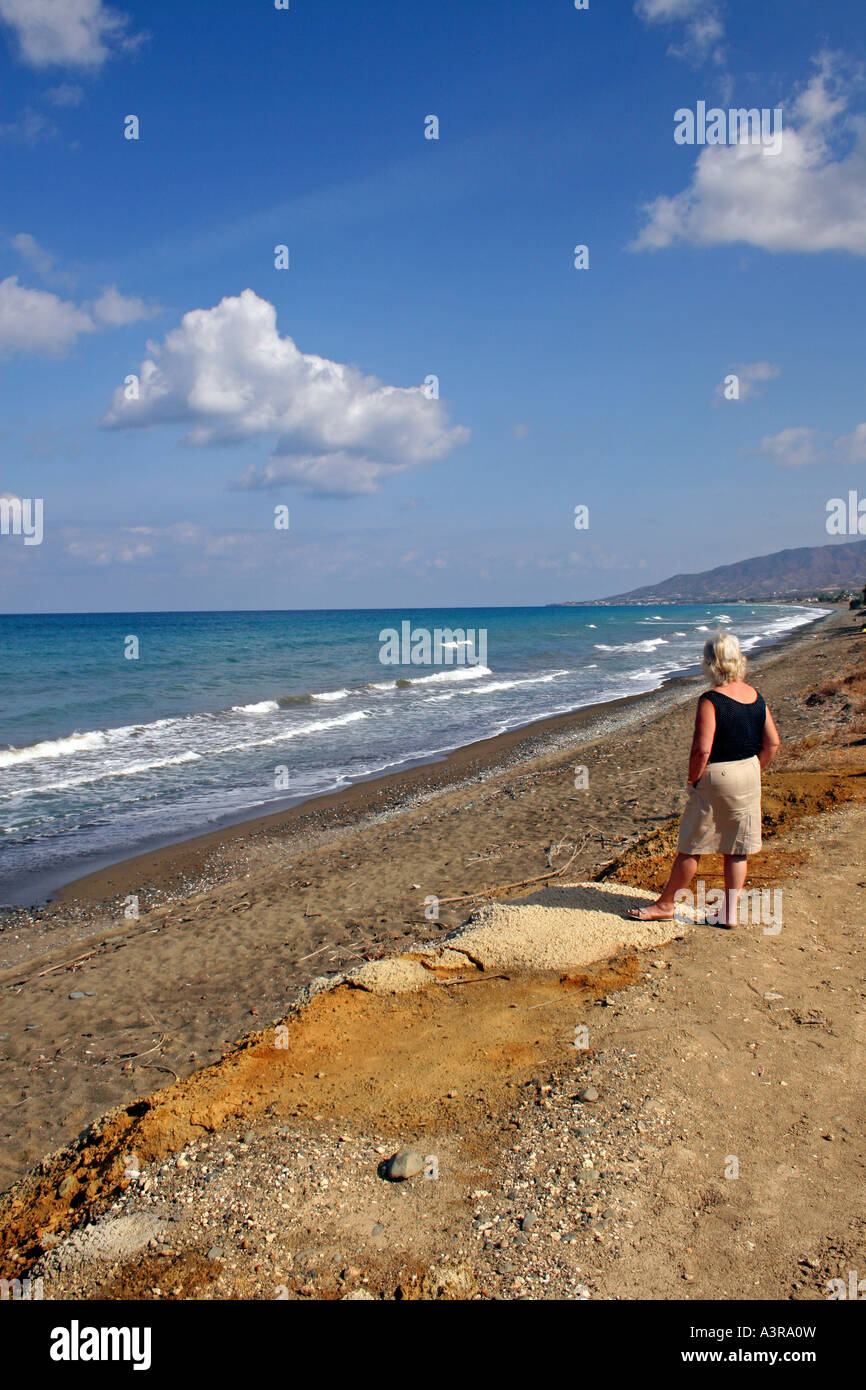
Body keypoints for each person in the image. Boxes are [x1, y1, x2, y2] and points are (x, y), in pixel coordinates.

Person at [629, 630, 780, 928]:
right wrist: (754, 769)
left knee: (692, 844)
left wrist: (693, 780)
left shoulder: (711, 700)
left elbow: (701, 749)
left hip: (717, 774)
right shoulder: (755, 696)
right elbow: (772, 743)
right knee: (738, 848)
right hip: (749, 770)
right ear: (738, 660)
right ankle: (729, 913)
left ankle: (665, 904)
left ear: (710, 663)